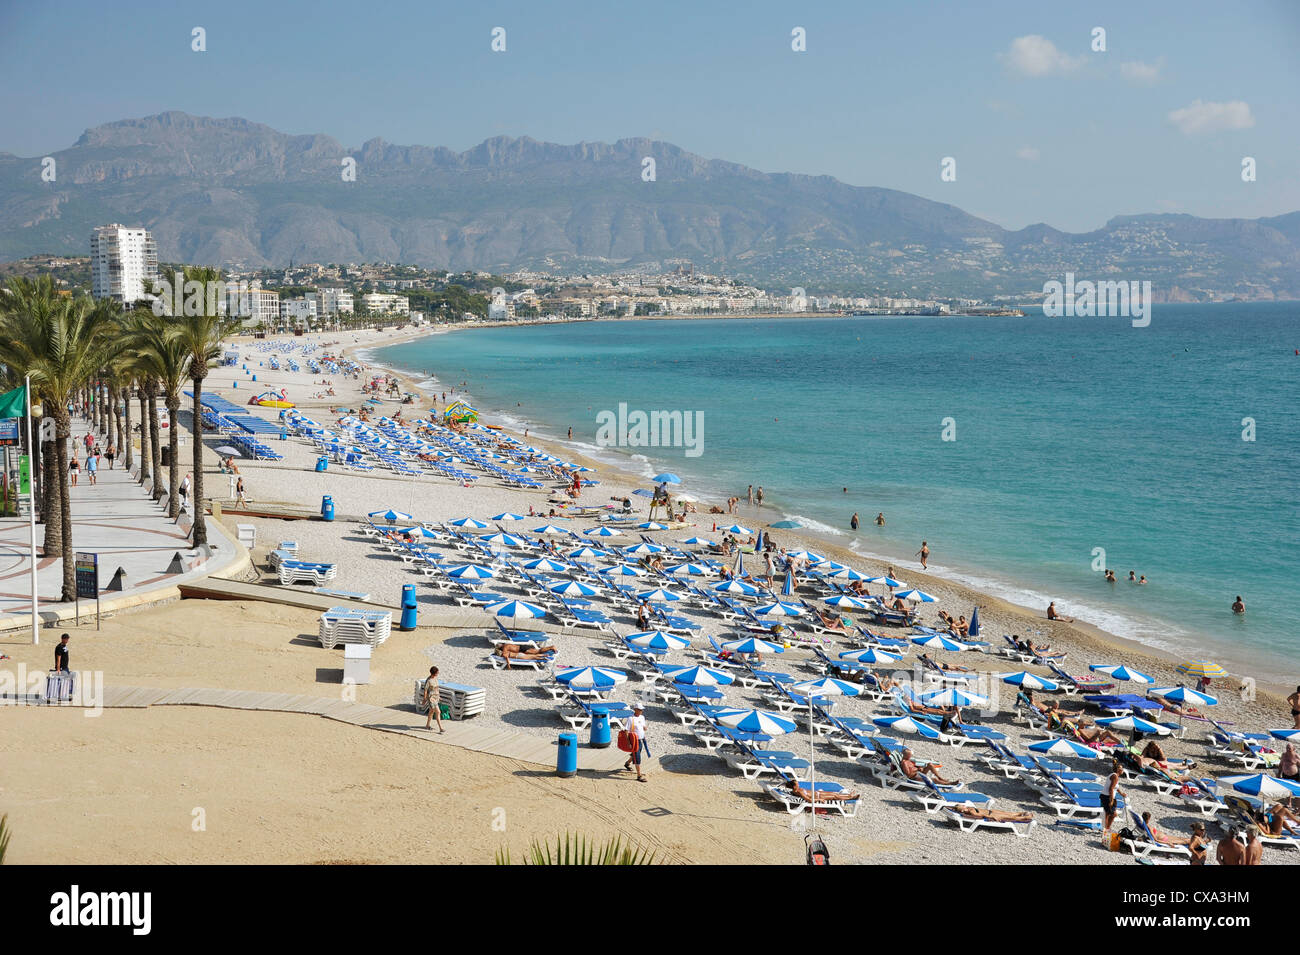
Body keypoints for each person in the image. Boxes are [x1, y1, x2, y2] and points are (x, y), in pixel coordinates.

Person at [624, 704, 648, 782]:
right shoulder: (630, 719)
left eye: (642, 710)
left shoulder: (642, 717)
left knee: (636, 753)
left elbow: (643, 726)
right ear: (635, 709)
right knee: (637, 756)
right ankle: (639, 775)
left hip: (640, 740)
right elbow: (626, 730)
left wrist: (644, 728)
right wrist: (628, 742)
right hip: (634, 741)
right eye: (640, 710)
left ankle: (627, 763)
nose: (641, 711)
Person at [1100, 760, 1123, 833]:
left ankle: (1106, 828)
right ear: (1118, 770)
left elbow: (1115, 787)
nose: (1123, 770)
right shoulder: (1115, 776)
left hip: (1106, 796)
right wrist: (1112, 800)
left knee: (1109, 814)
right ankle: (1106, 829)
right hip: (1107, 796)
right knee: (1112, 814)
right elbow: (1111, 788)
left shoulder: (1114, 775)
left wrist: (1121, 793)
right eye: (1122, 769)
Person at [423, 666, 444, 732]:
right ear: (433, 673)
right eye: (437, 673)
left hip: (436, 697)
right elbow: (425, 690)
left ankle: (427, 725)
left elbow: (437, 688)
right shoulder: (428, 680)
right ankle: (441, 728)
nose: (438, 674)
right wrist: (424, 699)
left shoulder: (435, 678)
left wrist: (439, 696)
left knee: (431, 712)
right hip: (431, 698)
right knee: (438, 711)